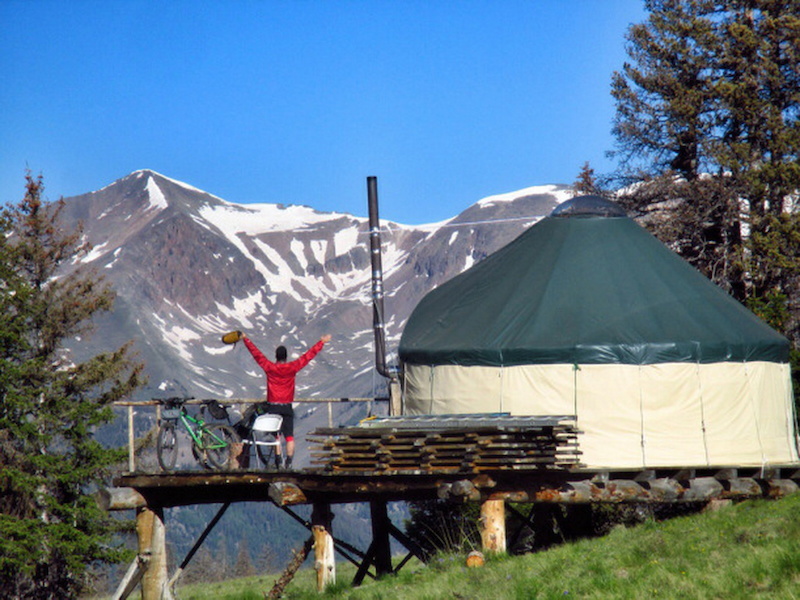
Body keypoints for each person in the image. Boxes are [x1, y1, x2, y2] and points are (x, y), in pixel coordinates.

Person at [239, 333, 331, 470]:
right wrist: (321, 342)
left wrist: (245, 339)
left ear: (276, 356)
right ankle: (288, 462)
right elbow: (308, 356)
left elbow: (256, 354)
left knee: (276, 436)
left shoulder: (269, 367)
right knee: (289, 437)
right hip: (287, 406)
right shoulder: (292, 367)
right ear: (286, 357)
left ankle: (278, 462)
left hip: (273, 407)